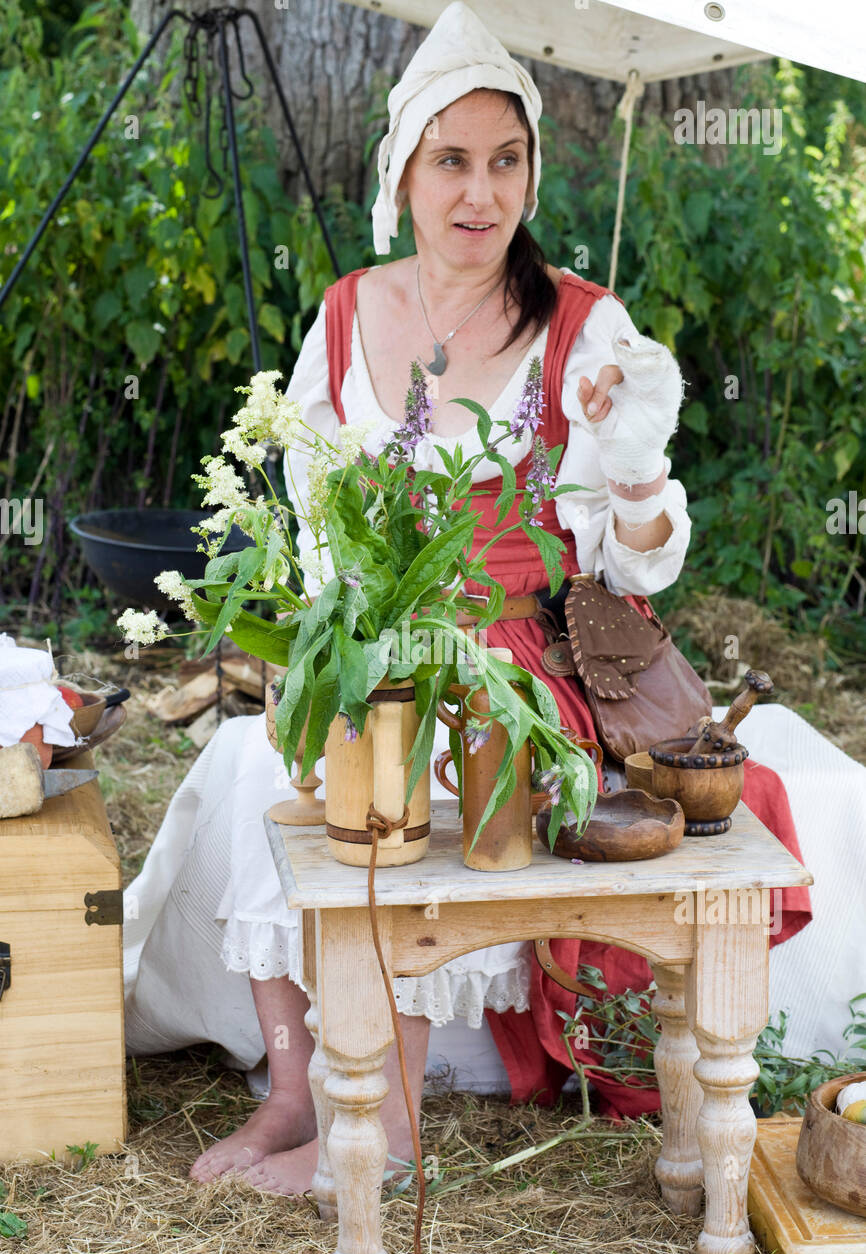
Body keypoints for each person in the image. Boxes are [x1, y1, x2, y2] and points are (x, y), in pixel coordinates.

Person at [123, 1, 811, 1193]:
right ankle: (294, 1094)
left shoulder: (585, 329)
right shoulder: (345, 314)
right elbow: (318, 518)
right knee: (252, 769)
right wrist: (321, 660)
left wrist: (638, 457)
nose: (478, 193)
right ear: (401, 172)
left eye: (505, 161)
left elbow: (640, 565)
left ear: (532, 170)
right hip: (377, 646)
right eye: (451, 160)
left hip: (519, 670)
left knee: (426, 786)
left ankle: (385, 1133)